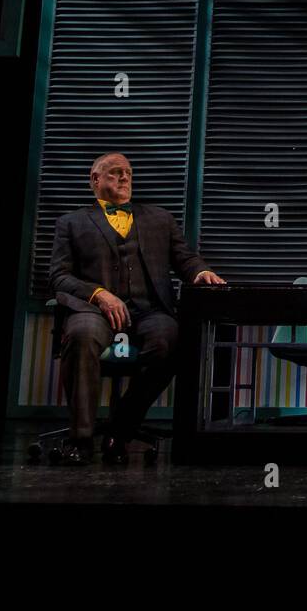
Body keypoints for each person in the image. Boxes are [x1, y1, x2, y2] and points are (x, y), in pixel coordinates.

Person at [49, 152, 225, 464]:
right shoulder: (71, 223)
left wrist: (200, 272)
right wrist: (99, 294)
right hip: (94, 311)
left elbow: (184, 258)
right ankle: (81, 439)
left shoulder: (159, 218)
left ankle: (122, 428)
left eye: (128, 173)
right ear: (95, 180)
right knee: (82, 336)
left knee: (170, 341)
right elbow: (59, 277)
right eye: (115, 173)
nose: (124, 178)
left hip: (148, 310)